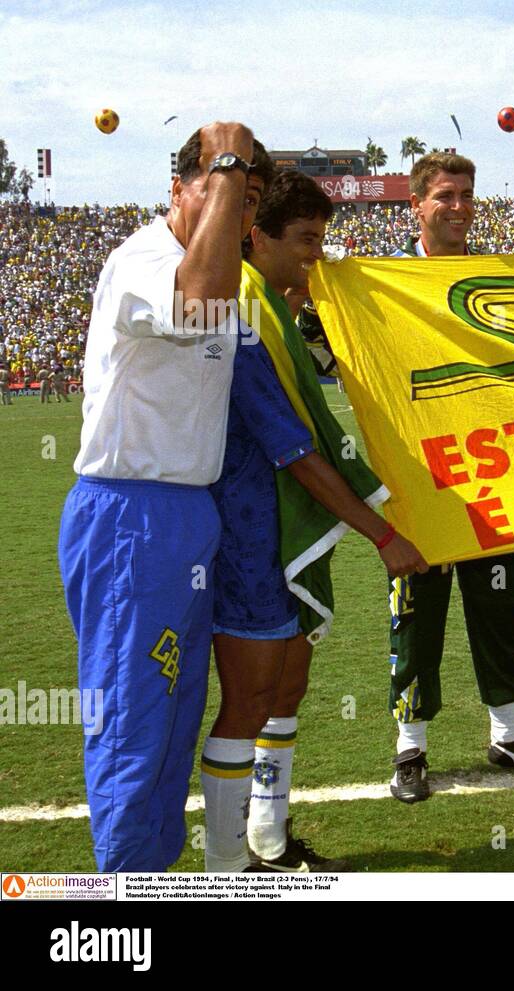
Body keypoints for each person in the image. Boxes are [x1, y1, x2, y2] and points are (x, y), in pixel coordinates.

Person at [200, 169, 428, 872]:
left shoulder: (269, 300)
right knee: (250, 696)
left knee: (286, 682)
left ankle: (267, 838)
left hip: (277, 526)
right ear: (254, 235)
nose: (315, 255)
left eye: (321, 241)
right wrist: (382, 532)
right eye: (303, 241)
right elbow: (293, 445)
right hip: (253, 527)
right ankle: (227, 865)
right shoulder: (242, 309)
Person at [58, 121, 269, 872]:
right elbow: (199, 298)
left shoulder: (221, 265)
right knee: (134, 718)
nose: (240, 218)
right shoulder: (145, 258)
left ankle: (150, 873)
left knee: (174, 718)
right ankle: (122, 896)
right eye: (226, 196)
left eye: (249, 205)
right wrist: (226, 164)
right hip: (129, 512)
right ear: (179, 190)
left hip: (185, 512)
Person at [387, 151, 514, 803]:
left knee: (499, 610)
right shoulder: (382, 283)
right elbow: (324, 345)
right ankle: (410, 749)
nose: (460, 205)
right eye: (445, 195)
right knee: (417, 617)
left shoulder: (496, 280)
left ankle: (509, 735)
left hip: (497, 475)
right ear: (416, 205)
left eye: (467, 194)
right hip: (420, 482)